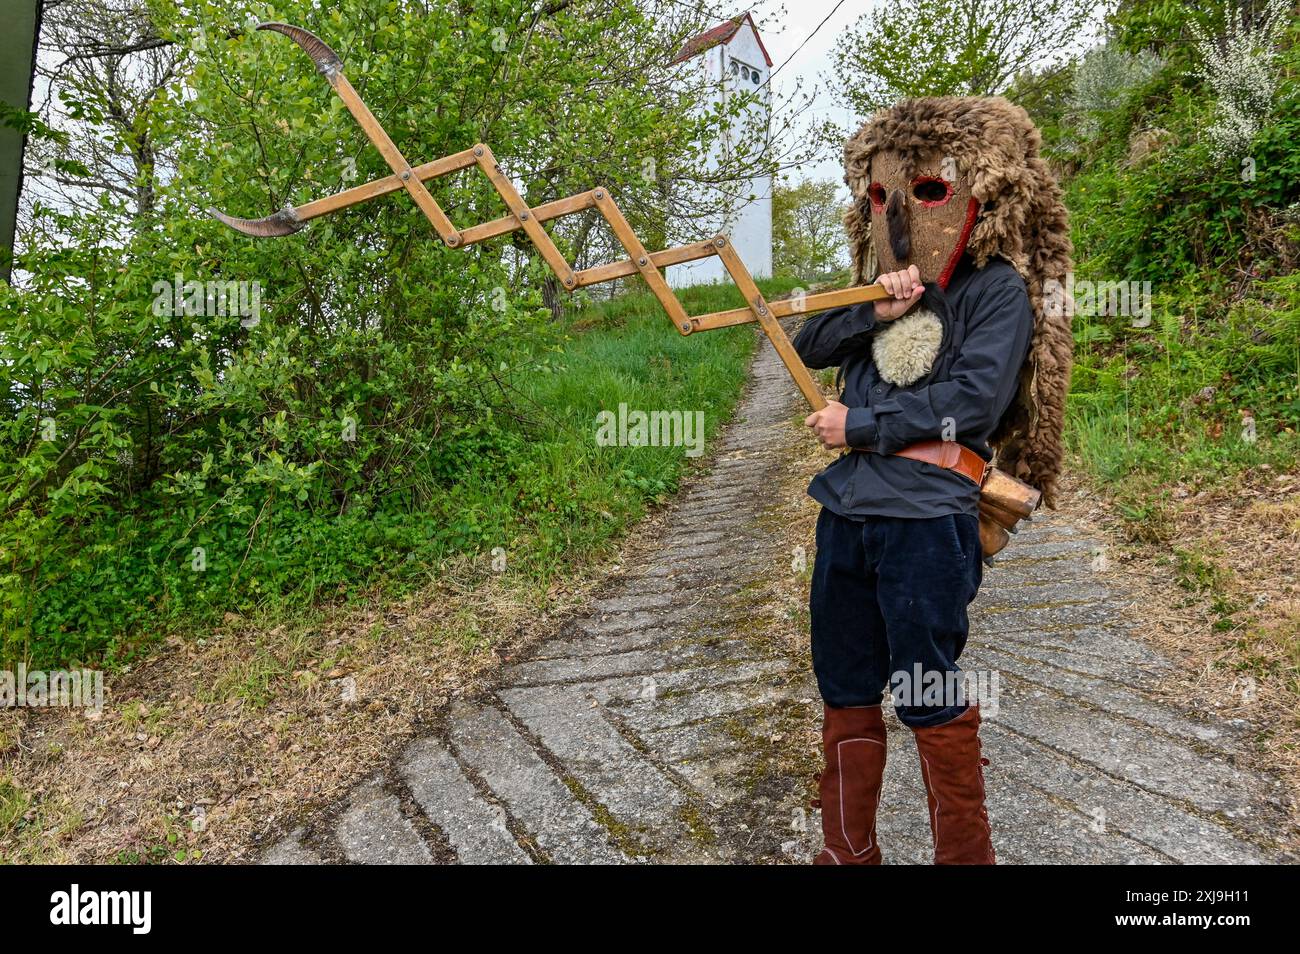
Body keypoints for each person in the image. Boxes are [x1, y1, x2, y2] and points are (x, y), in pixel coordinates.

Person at [793, 96, 1074, 865]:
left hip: (926, 518)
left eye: (923, 192)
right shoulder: (874, 285)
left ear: (982, 189)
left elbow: (973, 400)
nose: (898, 213)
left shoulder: (997, 291)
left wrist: (862, 426)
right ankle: (847, 856)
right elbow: (807, 339)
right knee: (845, 686)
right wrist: (877, 312)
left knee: (926, 686)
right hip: (845, 514)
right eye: (881, 197)